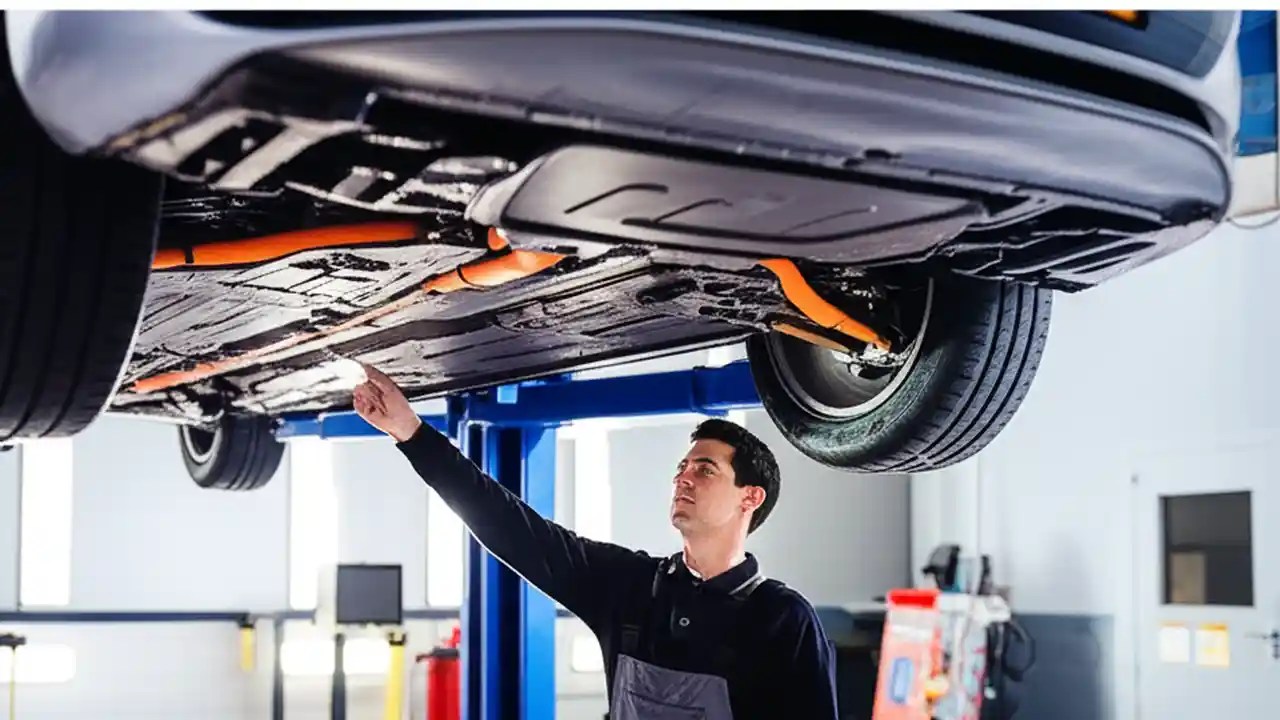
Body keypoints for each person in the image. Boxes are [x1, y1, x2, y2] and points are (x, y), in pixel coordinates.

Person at [353, 364, 838, 720]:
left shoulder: (782, 619)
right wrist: (410, 433)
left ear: (749, 498)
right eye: (682, 467)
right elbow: (509, 525)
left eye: (705, 470)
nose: (683, 479)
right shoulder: (628, 586)